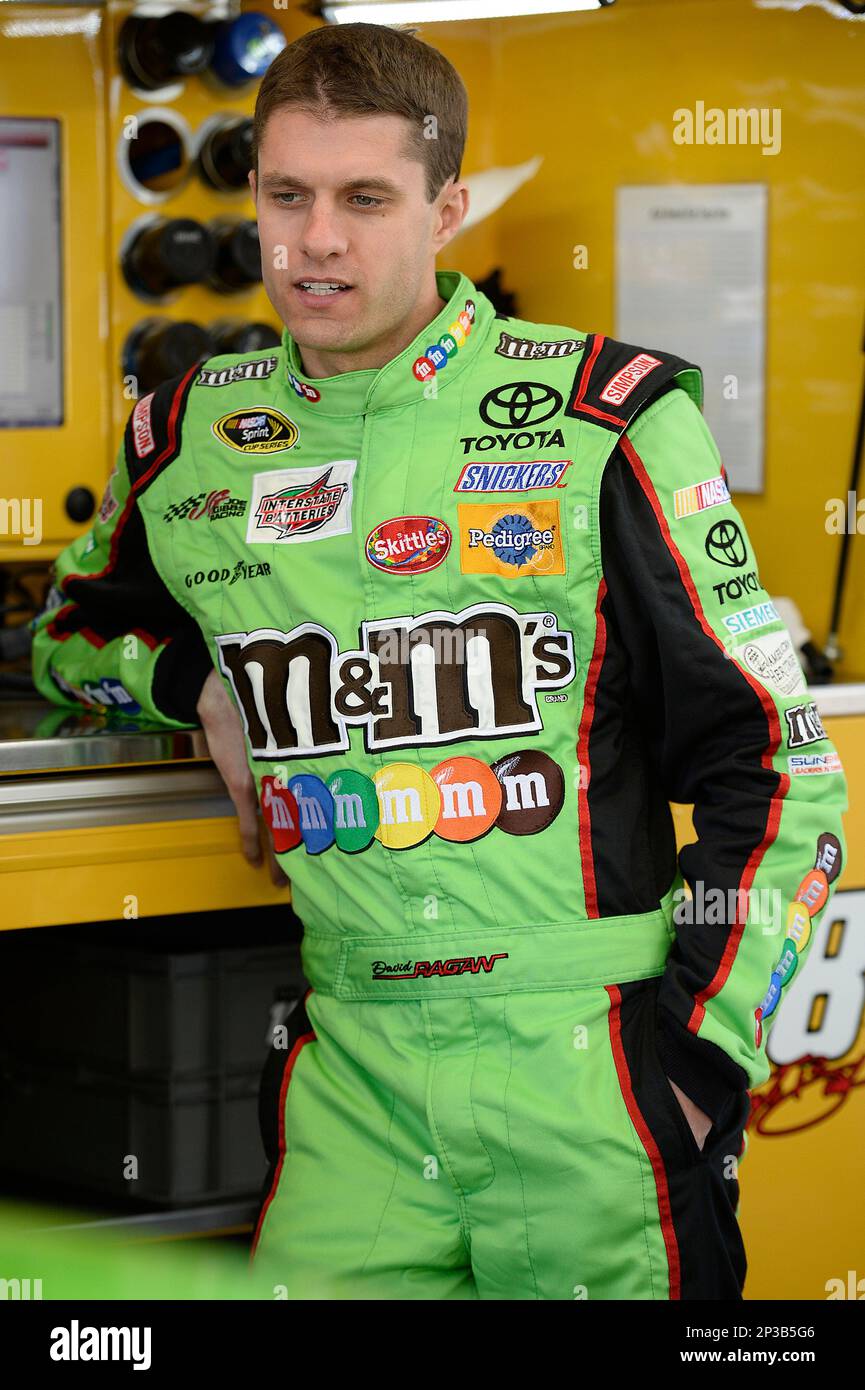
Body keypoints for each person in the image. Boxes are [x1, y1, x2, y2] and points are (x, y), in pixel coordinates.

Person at [31, 22, 848, 1301]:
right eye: (287, 194)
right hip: (350, 1074)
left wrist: (695, 1064)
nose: (318, 240)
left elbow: (781, 769)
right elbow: (68, 627)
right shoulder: (189, 438)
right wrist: (191, 676)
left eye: (366, 198)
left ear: (447, 206)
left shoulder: (605, 419)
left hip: (596, 1076)